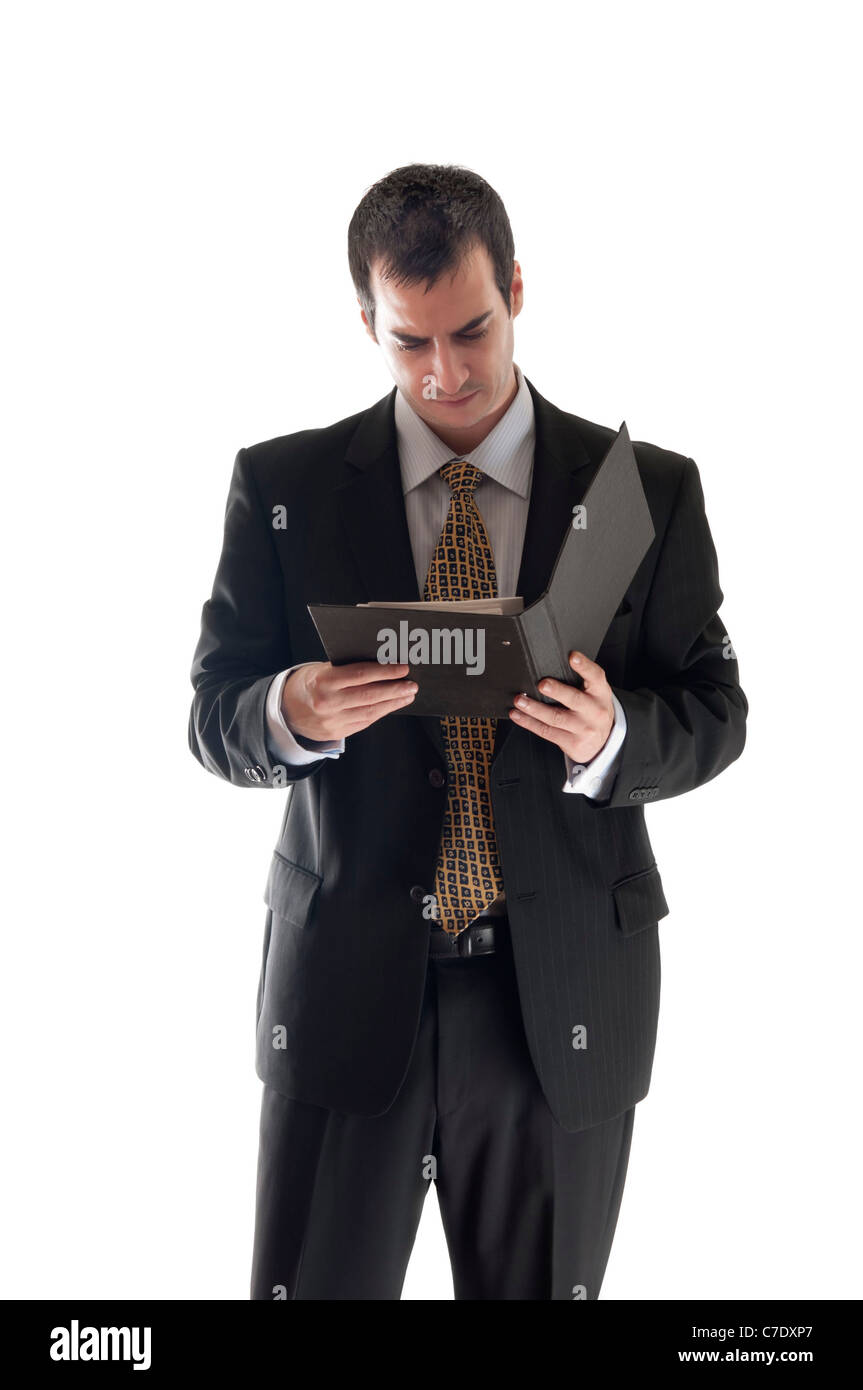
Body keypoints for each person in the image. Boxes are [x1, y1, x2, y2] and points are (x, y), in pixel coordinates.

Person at [188, 163, 747, 1300]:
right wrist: (286, 711)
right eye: (406, 342)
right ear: (365, 322)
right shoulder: (281, 484)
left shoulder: (645, 492)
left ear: (519, 292)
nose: (443, 372)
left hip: (554, 997)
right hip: (344, 987)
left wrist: (611, 741)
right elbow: (213, 713)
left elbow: (713, 711)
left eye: (471, 331)